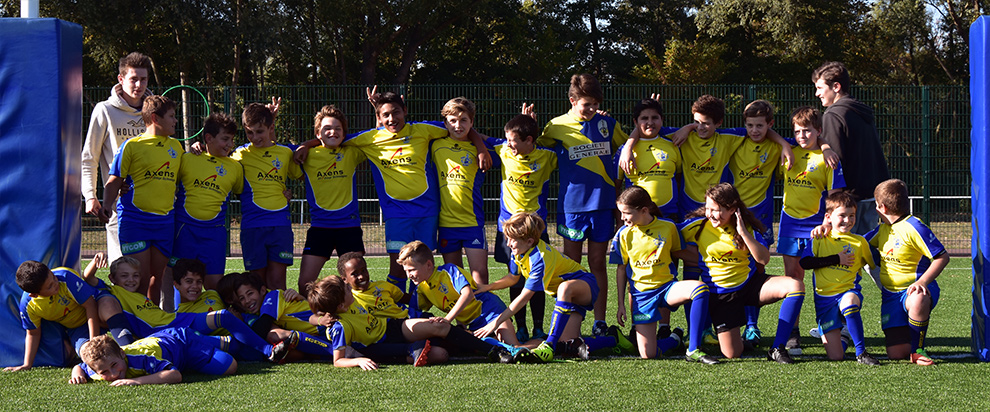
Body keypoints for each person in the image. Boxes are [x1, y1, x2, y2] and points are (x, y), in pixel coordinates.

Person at [323, 90, 491, 293]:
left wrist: (480, 146)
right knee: (399, 269)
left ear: (405, 111)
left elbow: (458, 127)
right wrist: (306, 145)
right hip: (397, 216)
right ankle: (398, 316)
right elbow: (334, 139)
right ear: (378, 117)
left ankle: (420, 311)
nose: (392, 119)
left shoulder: (424, 130)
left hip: (427, 214)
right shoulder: (369, 138)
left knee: (422, 270)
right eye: (385, 115)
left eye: (396, 113)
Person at [535, 74, 628, 336]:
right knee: (571, 263)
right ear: (572, 100)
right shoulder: (555, 126)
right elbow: (536, 149)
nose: (591, 110)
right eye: (586, 104)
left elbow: (632, 141)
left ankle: (599, 322)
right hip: (572, 207)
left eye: (595, 105)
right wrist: (530, 127)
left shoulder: (608, 124)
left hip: (603, 204)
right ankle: (569, 322)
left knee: (598, 262)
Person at [679, 183, 805, 364]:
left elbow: (763, 259)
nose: (710, 214)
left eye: (716, 210)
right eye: (708, 208)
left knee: (795, 285)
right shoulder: (697, 226)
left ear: (732, 209)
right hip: (722, 296)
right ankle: (741, 342)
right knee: (732, 353)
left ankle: (777, 348)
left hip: (750, 285)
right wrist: (697, 257)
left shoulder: (746, 226)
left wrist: (744, 233)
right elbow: (670, 239)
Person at [84, 257, 292, 363]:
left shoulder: (139, 296)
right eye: (125, 276)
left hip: (174, 320)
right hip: (164, 330)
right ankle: (267, 350)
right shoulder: (112, 291)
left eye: (135, 276)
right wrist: (95, 262)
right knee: (227, 334)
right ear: (113, 279)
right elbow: (88, 278)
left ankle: (268, 351)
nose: (131, 280)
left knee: (225, 318)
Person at [475, 212, 616, 362]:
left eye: (512, 240)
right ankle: (614, 339)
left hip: (585, 285)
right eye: (507, 239)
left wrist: (494, 323)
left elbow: (523, 298)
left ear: (529, 241)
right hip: (567, 298)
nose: (508, 243)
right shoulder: (519, 251)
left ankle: (549, 343)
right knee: (567, 344)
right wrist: (487, 287)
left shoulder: (539, 258)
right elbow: (513, 278)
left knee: (564, 288)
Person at [334, 252, 515, 362]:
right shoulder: (347, 300)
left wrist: (424, 306)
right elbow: (324, 301)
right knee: (441, 354)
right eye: (354, 274)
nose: (361, 276)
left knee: (440, 326)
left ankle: (494, 350)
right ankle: (473, 340)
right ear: (344, 279)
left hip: (408, 323)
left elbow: (408, 299)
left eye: (363, 270)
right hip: (391, 333)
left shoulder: (382, 286)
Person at [612, 186, 717, 363]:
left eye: (626, 213)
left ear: (644, 210)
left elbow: (680, 252)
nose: (622, 218)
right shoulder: (623, 234)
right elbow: (621, 269)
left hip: (668, 288)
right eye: (621, 212)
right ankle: (674, 339)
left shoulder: (668, 227)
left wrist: (711, 259)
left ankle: (693, 348)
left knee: (699, 289)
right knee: (648, 354)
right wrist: (621, 304)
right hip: (642, 296)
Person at [99, 95, 183, 305]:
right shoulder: (131, 146)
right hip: (135, 221)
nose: (175, 121)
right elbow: (115, 179)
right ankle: (132, 324)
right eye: (172, 116)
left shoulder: (177, 147)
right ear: (155, 118)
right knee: (140, 279)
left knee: (158, 276)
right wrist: (107, 205)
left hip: (164, 222)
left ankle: (151, 321)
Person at [777, 106, 845, 352]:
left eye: (807, 131)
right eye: (797, 131)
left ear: (818, 130)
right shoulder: (787, 150)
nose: (802, 136)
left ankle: (828, 326)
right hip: (789, 224)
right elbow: (768, 134)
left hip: (817, 226)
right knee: (793, 278)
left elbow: (836, 196)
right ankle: (793, 333)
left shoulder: (829, 159)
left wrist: (827, 222)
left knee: (823, 278)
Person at [486, 114, 557, 343]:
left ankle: (538, 328)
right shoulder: (504, 151)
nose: (508, 144)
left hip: (535, 229)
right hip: (508, 229)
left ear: (529, 140)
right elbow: (480, 137)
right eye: (507, 139)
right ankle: (521, 328)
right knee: (515, 277)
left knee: (536, 279)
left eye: (513, 140)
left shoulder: (547, 157)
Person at [866, 179, 949, 364]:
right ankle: (909, 343)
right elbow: (858, 243)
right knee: (896, 354)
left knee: (918, 297)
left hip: (913, 290)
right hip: (890, 296)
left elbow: (942, 257)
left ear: (883, 207)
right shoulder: (882, 229)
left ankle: (918, 350)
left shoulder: (915, 226)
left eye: (876, 205)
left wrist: (922, 282)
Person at [728, 100, 789, 350]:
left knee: (757, 270)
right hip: (734, 217)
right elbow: (703, 127)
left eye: (760, 126)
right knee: (734, 268)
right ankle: (727, 323)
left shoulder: (776, 146)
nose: (755, 130)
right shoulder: (734, 141)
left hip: (761, 220)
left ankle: (752, 325)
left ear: (770, 125)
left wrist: (784, 143)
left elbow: (810, 139)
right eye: (750, 125)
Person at [82, 52, 154, 262]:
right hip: (118, 206)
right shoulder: (104, 110)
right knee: (125, 273)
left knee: (155, 277)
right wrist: (90, 195)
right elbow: (89, 157)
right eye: (133, 79)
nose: (138, 84)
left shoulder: (155, 112)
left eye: (143, 79)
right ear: (121, 80)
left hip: (156, 206)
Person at [799, 191, 881, 365]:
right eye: (842, 215)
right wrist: (837, 259)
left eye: (852, 216)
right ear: (828, 217)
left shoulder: (859, 242)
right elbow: (805, 263)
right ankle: (844, 333)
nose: (847, 220)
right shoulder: (819, 237)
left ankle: (861, 353)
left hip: (848, 292)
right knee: (836, 356)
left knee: (849, 303)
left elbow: (876, 268)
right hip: (824, 300)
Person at [398, 241, 525, 350]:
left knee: (513, 347)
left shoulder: (448, 271)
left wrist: (447, 319)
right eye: (406, 271)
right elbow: (414, 312)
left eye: (412, 270)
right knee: (486, 349)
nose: (409, 275)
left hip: (491, 312)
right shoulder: (422, 288)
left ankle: (541, 346)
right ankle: (491, 339)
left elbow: (467, 294)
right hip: (473, 325)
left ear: (429, 265)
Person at [230, 103, 302, 291]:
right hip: (252, 226)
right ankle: (259, 320)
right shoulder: (240, 154)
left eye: (259, 131)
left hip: (280, 225)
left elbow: (300, 174)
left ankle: (277, 320)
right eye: (249, 133)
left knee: (278, 283)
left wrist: (288, 193)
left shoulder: (285, 153)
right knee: (257, 284)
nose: (255, 138)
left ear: (271, 128)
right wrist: (199, 148)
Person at [813, 61, 890, 235]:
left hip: (848, 201)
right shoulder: (861, 111)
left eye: (819, 87)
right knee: (866, 250)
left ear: (836, 86)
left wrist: (834, 202)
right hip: (872, 195)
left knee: (846, 254)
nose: (817, 93)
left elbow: (834, 162)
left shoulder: (833, 115)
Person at [296, 105, 366, 293]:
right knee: (305, 285)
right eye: (327, 128)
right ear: (318, 133)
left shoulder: (351, 152)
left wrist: (308, 141)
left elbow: (372, 137)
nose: (332, 132)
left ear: (344, 133)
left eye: (338, 129)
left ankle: (357, 319)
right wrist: (306, 145)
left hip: (349, 227)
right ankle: (311, 319)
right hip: (320, 228)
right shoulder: (307, 155)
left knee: (358, 284)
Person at [306, 275, 445, 369]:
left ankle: (464, 339)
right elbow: (337, 361)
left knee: (438, 328)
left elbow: (314, 315)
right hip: (379, 349)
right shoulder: (339, 326)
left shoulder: (348, 302)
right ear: (341, 305)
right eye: (348, 289)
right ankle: (412, 351)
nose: (351, 288)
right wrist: (359, 361)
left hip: (389, 330)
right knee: (440, 354)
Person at [172, 112, 244, 290]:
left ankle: (211, 318)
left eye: (232, 140)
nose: (229, 144)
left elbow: (245, 194)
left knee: (214, 288)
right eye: (225, 139)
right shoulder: (186, 159)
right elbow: (164, 183)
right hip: (184, 231)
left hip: (214, 234)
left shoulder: (235, 167)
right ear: (208, 138)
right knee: (183, 287)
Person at [432, 97, 489, 286]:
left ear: (472, 122)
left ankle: (483, 314)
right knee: (456, 278)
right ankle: (462, 315)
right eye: (453, 120)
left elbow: (511, 145)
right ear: (445, 123)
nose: (458, 125)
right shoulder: (435, 145)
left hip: (472, 222)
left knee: (479, 275)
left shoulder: (481, 149)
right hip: (446, 223)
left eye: (464, 120)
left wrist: (480, 145)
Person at [4, 261, 100, 371]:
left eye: (53, 278)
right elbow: (33, 333)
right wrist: (27, 364)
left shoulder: (65, 278)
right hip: (77, 329)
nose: (56, 284)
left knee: (108, 308)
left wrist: (94, 340)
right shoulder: (28, 305)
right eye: (50, 286)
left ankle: (123, 340)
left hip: (97, 311)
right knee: (88, 354)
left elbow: (91, 305)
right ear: (34, 295)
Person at [69, 330, 235, 385]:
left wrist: (136, 381)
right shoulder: (96, 367)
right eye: (104, 371)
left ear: (122, 354)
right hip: (160, 343)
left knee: (230, 366)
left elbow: (176, 375)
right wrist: (76, 374)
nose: (113, 374)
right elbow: (80, 367)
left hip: (181, 343)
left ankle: (221, 340)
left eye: (114, 365)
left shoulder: (140, 360)